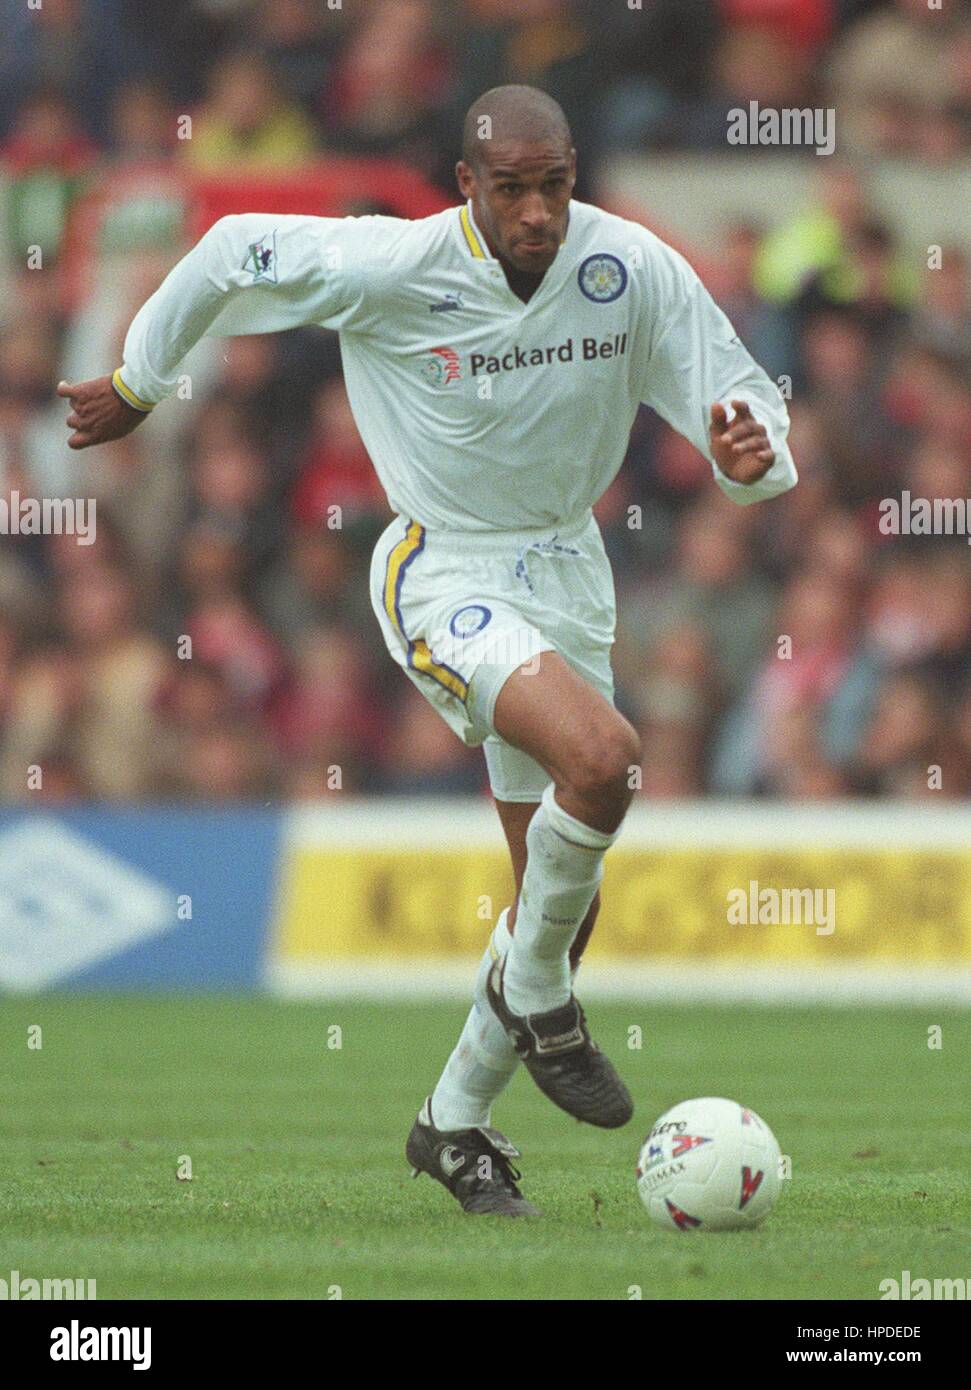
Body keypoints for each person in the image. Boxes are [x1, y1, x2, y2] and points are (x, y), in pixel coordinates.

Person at [58, 84, 797, 1218]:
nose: (538, 211)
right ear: (467, 185)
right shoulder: (390, 265)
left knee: (558, 891)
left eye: (553, 185)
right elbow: (223, 250)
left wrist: (752, 453)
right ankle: (545, 1000)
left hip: (566, 574)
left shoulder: (628, 266)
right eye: (512, 189)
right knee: (601, 761)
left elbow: (730, 392)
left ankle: (452, 1124)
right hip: (440, 570)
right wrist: (141, 383)